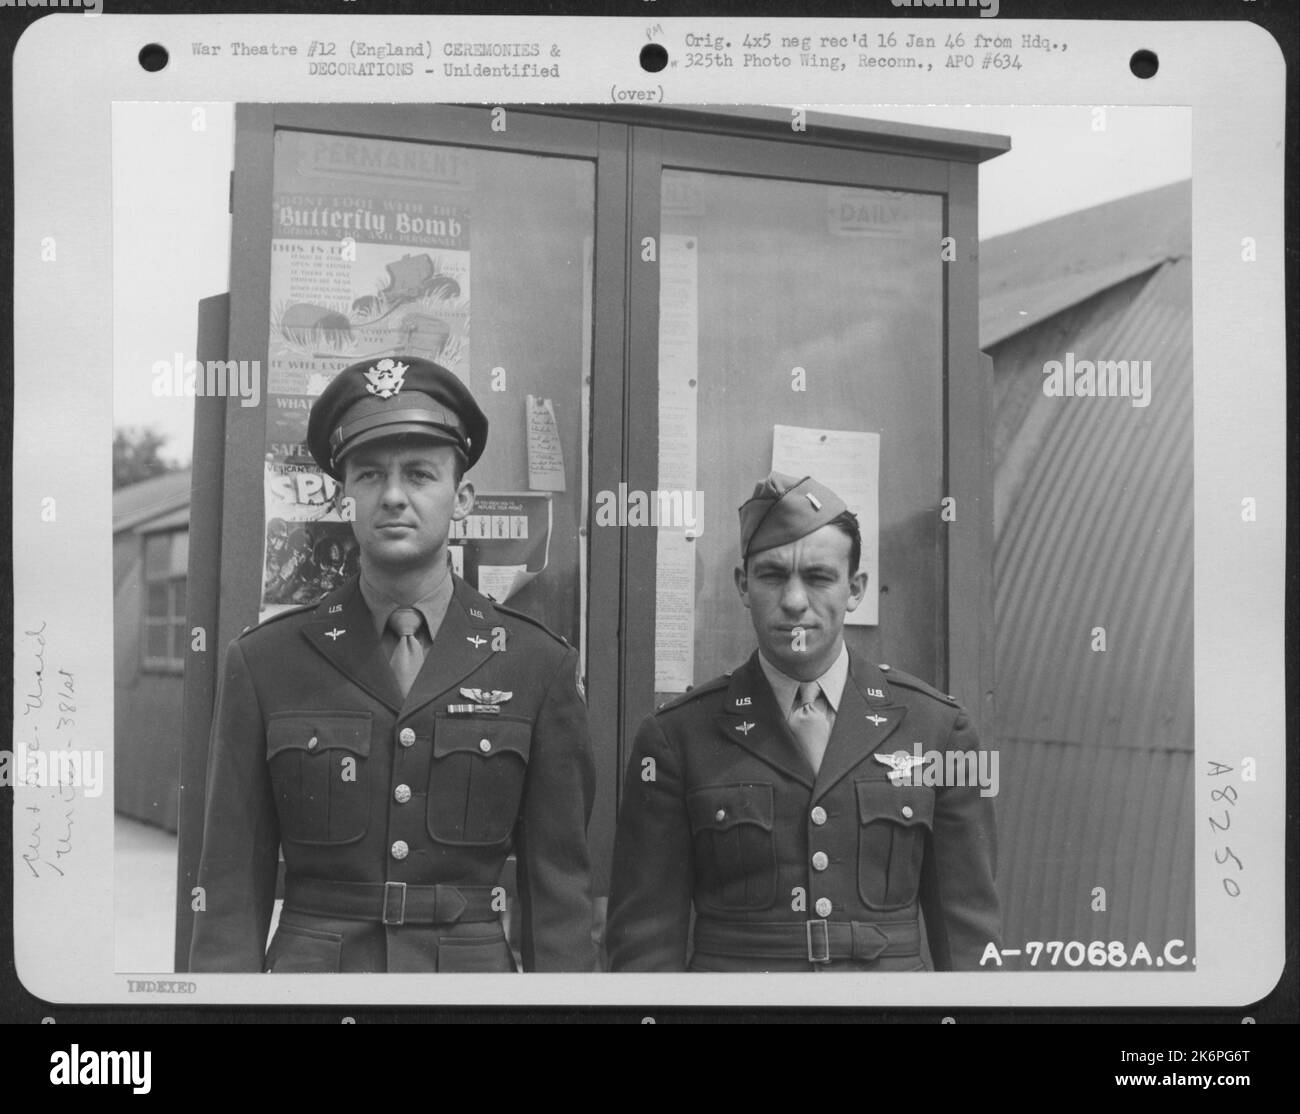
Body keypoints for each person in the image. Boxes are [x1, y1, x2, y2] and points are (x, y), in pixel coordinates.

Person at [190, 356, 597, 973]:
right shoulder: (266, 662)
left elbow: (557, 896)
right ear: (343, 494)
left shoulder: (535, 667)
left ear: (462, 498)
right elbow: (228, 889)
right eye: (371, 474)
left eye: (420, 474)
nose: (395, 496)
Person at [606, 472, 1000, 971]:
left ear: (854, 589)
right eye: (772, 576)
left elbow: (969, 940)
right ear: (742, 586)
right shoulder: (677, 739)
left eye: (818, 577)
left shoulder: (938, 732)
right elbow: (645, 948)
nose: (794, 601)